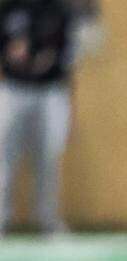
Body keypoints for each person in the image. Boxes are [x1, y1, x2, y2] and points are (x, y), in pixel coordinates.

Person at [0, 0, 94, 235]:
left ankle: (48, 221)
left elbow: (78, 46)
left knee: (48, 157)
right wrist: (10, 52)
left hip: (50, 90)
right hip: (14, 88)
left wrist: (53, 58)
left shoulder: (60, 10)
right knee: (4, 157)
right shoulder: (10, 9)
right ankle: (2, 218)